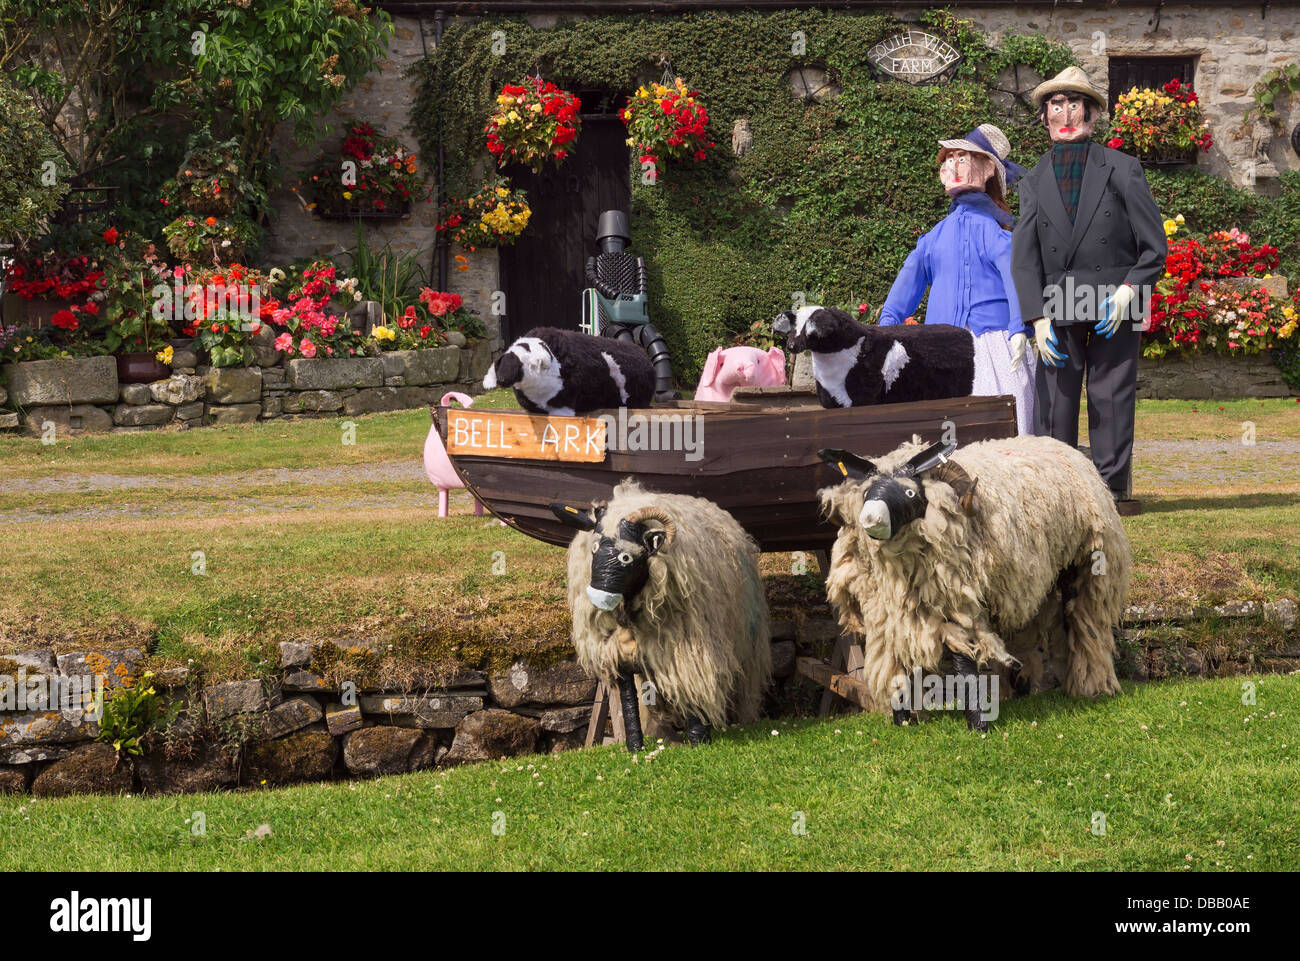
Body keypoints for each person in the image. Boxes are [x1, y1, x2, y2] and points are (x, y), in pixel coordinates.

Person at [1011, 66, 1167, 503]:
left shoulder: (1123, 168)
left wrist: (1129, 291)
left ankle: (1113, 489)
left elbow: (1154, 246)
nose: (1065, 114)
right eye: (1056, 106)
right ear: (1044, 116)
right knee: (1055, 398)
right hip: (1057, 303)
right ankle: (1054, 489)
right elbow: (1025, 255)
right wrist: (1036, 318)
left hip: (1115, 300)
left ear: (1093, 115)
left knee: (1111, 396)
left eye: (1075, 105)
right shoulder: (1034, 178)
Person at [879, 123, 1036, 435]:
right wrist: (884, 334)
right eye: (947, 160)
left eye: (961, 157)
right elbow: (903, 291)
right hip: (941, 349)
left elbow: (1016, 278)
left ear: (989, 168)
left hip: (994, 344)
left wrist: (1019, 328)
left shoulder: (997, 235)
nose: (951, 166)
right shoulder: (932, 240)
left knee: (1001, 428)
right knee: (943, 432)